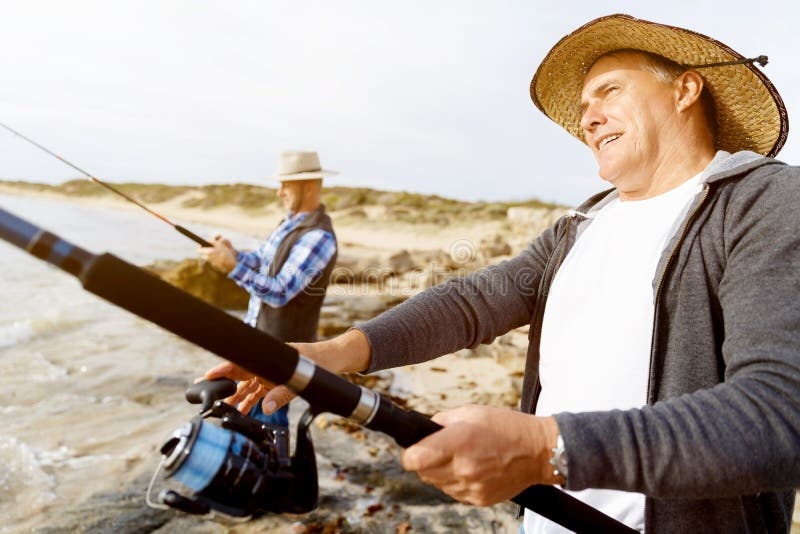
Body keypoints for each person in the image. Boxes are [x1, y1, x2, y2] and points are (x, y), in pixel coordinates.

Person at [204, 15, 800, 533]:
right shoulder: (582, 225)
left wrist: (543, 449)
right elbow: (474, 302)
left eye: (610, 92)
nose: (589, 119)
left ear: (686, 90)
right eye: (583, 109)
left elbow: (779, 415)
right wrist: (329, 354)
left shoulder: (765, 202)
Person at [199, 149, 338, 428]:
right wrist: (232, 253)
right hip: (255, 347)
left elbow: (279, 292)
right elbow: (260, 260)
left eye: (286, 185)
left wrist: (231, 266)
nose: (279, 192)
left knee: (266, 425)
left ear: (309, 186)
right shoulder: (288, 223)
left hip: (279, 357)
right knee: (240, 422)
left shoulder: (319, 236)